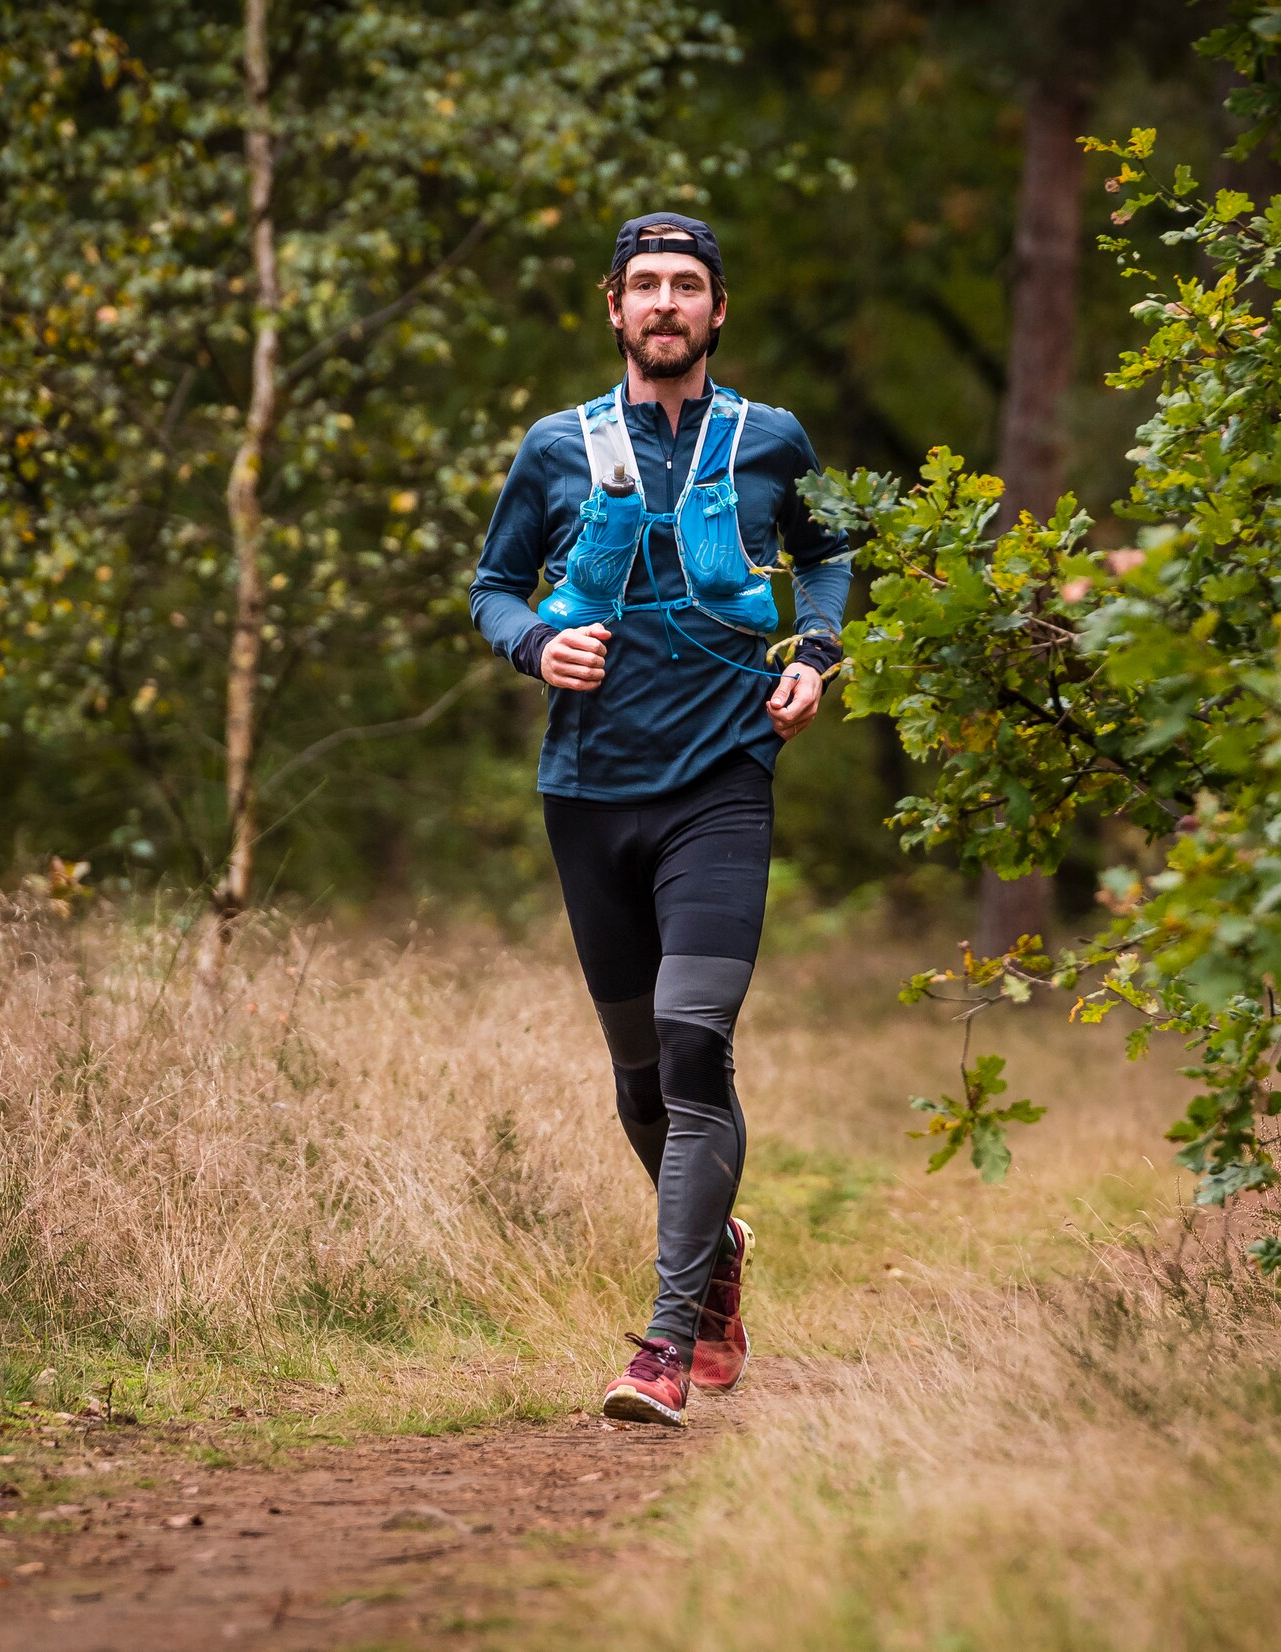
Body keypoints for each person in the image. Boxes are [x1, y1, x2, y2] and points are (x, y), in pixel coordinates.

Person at [468, 213, 849, 1427]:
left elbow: (831, 546)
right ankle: (719, 1246)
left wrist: (817, 652)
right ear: (614, 307)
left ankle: (665, 1344)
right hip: (588, 795)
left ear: (717, 309)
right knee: (640, 1078)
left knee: (695, 1043)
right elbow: (489, 587)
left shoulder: (773, 438)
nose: (667, 303)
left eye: (687, 284)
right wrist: (535, 642)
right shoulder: (555, 446)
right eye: (646, 285)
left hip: (722, 780)